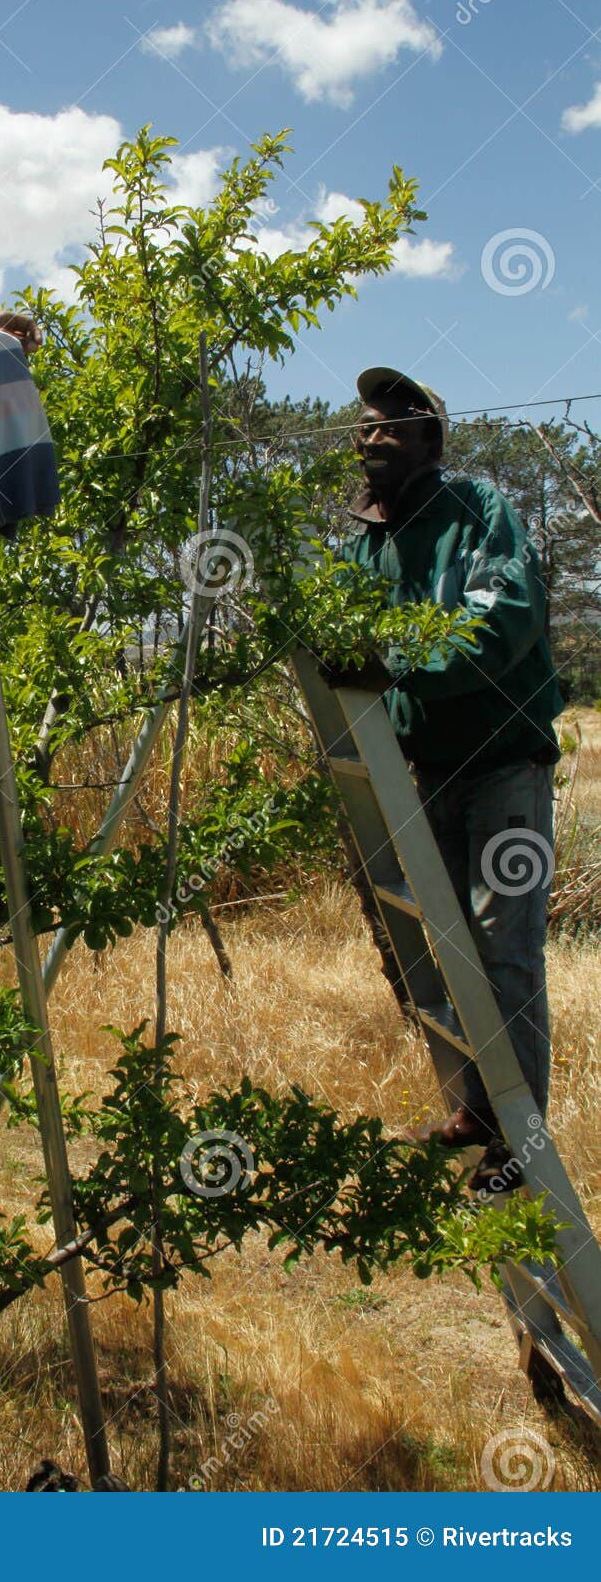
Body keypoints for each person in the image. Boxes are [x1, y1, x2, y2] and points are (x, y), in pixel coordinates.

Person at [338, 365, 563, 1196]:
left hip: (503, 764)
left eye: (394, 426)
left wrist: (395, 661)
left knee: (503, 949)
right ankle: (476, 1108)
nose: (372, 436)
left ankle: (518, 1145)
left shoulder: (477, 511)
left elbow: (499, 621)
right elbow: (350, 633)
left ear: (432, 439)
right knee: (453, 947)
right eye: (364, 425)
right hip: (422, 769)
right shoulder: (367, 538)